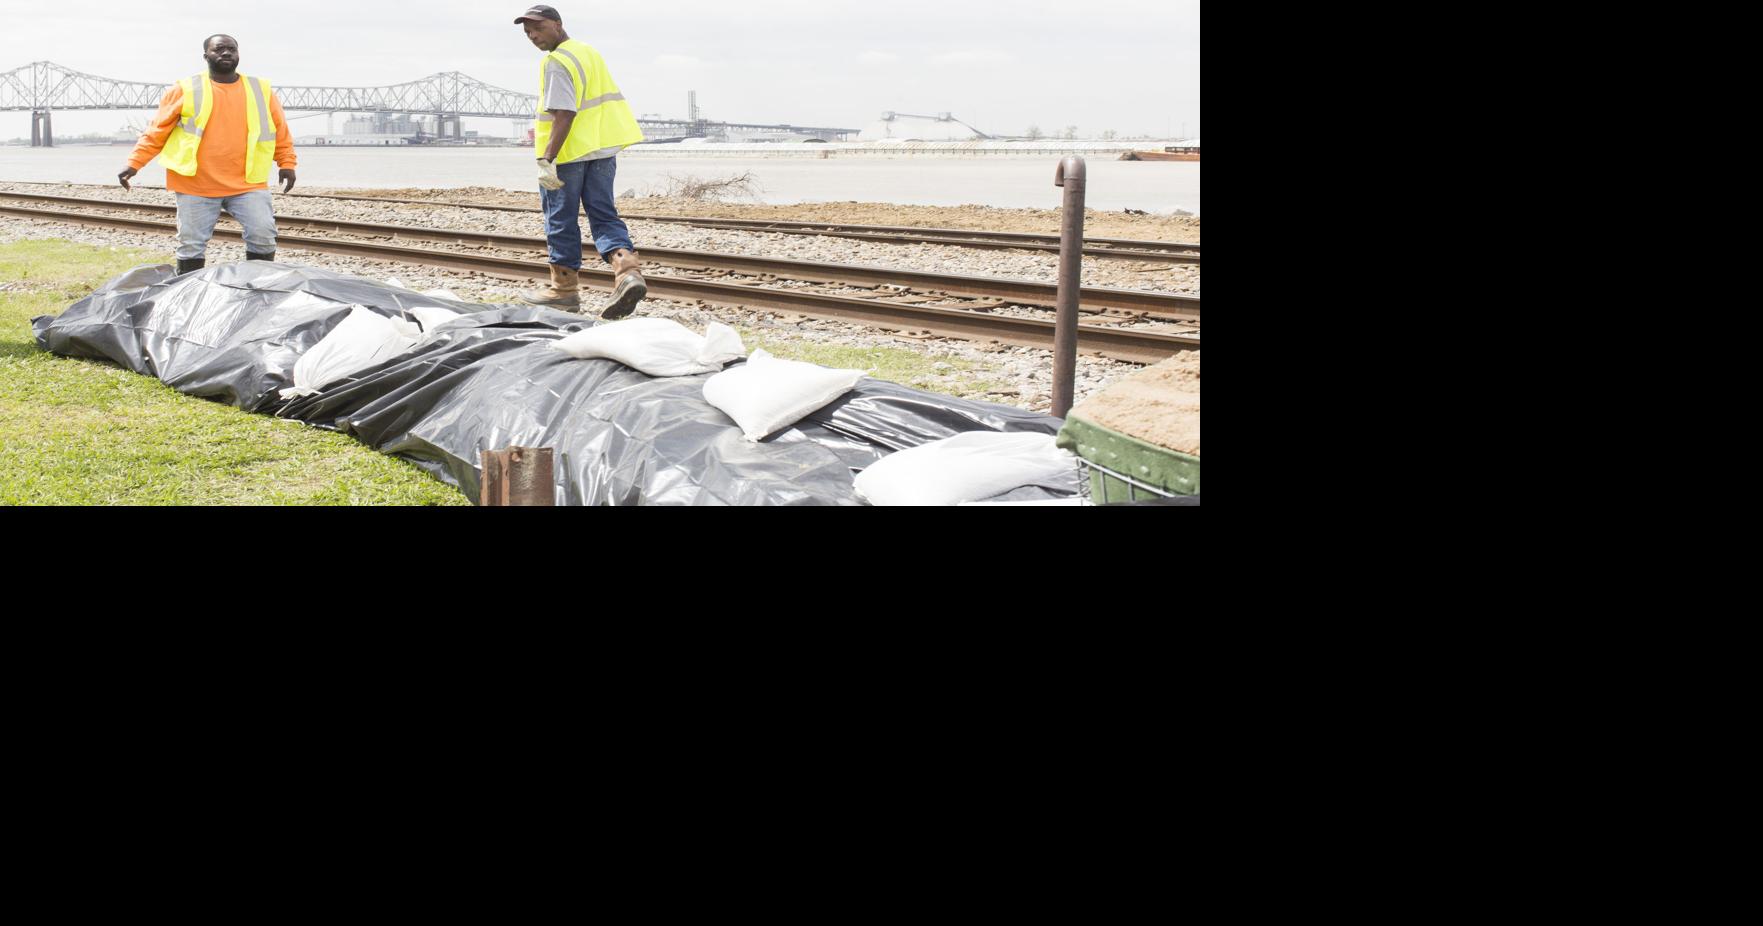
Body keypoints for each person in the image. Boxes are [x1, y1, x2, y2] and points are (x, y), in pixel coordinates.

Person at [118, 34, 297, 276]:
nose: (226, 53)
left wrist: (287, 163)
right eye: (219, 49)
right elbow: (156, 131)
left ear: (238, 54)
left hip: (247, 183)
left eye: (231, 49)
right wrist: (134, 163)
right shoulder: (184, 89)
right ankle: (188, 290)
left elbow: (279, 130)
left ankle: (257, 287)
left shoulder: (261, 90)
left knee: (263, 235)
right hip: (195, 184)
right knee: (191, 245)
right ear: (206, 56)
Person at [514, 5, 647, 317]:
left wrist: (547, 158)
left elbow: (564, 112)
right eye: (528, 32)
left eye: (539, 28)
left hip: (568, 154)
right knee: (604, 214)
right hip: (601, 150)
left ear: (558, 24)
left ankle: (563, 291)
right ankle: (627, 271)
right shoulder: (588, 52)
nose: (532, 35)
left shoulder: (556, 61)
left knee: (559, 219)